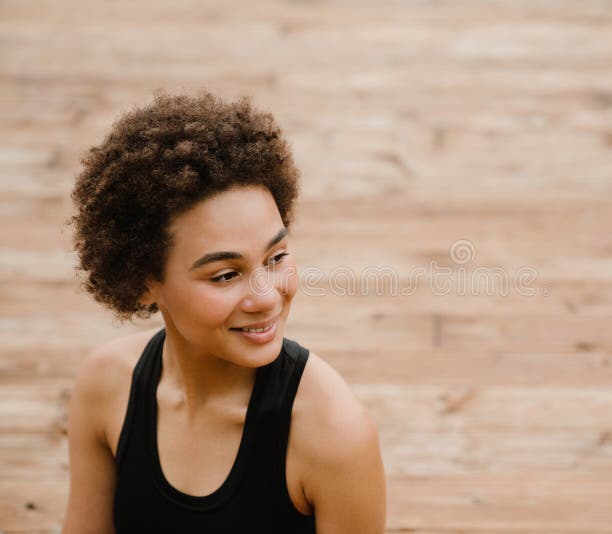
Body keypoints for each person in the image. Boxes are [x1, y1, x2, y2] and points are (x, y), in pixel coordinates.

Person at [62, 91, 386, 533]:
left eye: (276, 258)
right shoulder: (106, 387)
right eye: (224, 275)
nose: (267, 297)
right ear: (142, 282)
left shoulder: (332, 433)